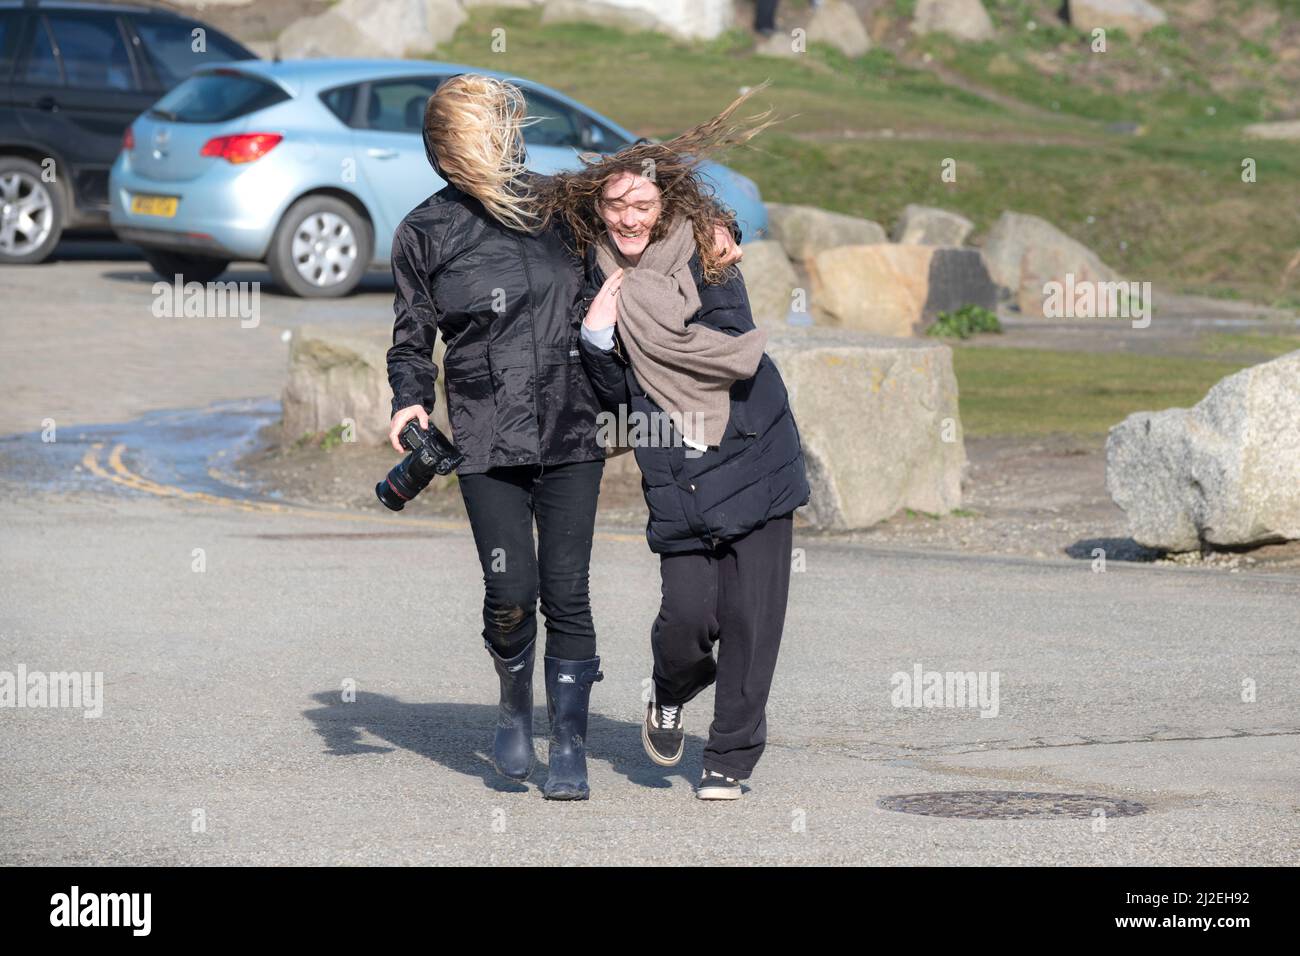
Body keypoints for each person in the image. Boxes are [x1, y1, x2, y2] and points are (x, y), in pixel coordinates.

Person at [385, 74, 741, 800]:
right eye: (488, 130)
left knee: (567, 593)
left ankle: (569, 744)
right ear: (454, 148)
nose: (504, 140)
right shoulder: (426, 230)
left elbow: (651, 208)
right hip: (485, 435)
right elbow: (411, 336)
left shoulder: (559, 203)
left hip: (574, 426)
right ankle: (515, 707)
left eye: (502, 126)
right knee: (510, 591)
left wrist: (717, 229)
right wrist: (409, 401)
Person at [539, 93, 811, 800]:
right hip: (676, 469)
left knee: (752, 621)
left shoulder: (709, 252)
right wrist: (598, 334)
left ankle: (729, 756)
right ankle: (670, 690)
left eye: (642, 205)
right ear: (597, 208)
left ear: (668, 204)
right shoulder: (591, 275)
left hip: (750, 451)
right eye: (614, 206)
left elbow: (730, 349)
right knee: (686, 621)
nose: (628, 219)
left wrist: (651, 311)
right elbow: (607, 397)